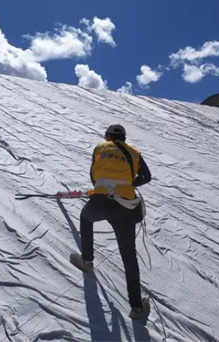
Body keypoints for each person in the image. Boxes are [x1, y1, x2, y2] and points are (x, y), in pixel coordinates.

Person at [71, 124, 151, 320]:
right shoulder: (133, 153)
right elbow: (146, 177)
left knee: (86, 217)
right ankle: (136, 307)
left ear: (108, 136)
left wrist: (102, 186)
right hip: (124, 206)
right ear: (123, 138)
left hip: (99, 199)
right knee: (129, 255)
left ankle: (87, 260)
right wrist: (128, 183)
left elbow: (93, 175)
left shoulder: (100, 148)